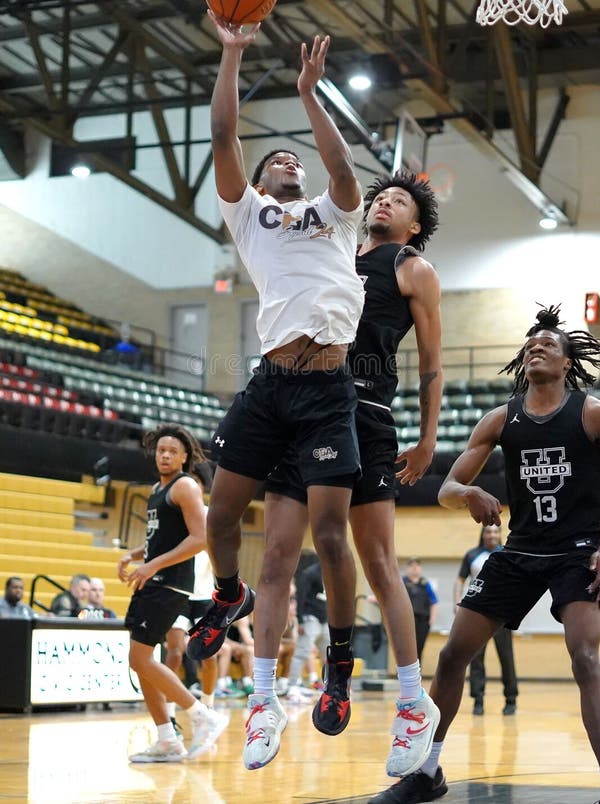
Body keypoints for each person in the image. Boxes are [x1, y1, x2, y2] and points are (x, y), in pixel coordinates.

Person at [188, 15, 366, 760]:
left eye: (297, 157)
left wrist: (309, 97)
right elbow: (224, 136)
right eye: (279, 158)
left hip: (327, 391)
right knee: (223, 520)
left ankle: (340, 664)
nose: (290, 159)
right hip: (270, 387)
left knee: (327, 537)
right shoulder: (252, 217)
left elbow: (344, 169)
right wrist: (232, 53)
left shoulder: (334, 214)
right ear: (261, 185)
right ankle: (227, 593)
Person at [368, 304, 600, 803]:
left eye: (549, 345)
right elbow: (446, 489)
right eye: (531, 344)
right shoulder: (501, 418)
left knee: (586, 657)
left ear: (565, 364)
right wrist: (468, 493)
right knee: (452, 656)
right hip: (522, 551)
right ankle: (426, 773)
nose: (537, 347)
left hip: (580, 552)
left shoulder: (590, 412)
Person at [251, 169, 443, 773]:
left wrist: (428, 438)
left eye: (399, 201)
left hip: (364, 412)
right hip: (299, 404)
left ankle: (413, 702)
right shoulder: (329, 241)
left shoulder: (412, 268)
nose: (384, 201)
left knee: (378, 561)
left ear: (413, 225)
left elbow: (432, 363)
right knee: (276, 554)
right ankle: (265, 698)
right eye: (380, 195)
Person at [118, 423, 225, 763]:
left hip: (170, 583)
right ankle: (167, 738)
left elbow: (200, 538)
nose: (164, 455)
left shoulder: (185, 486)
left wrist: (151, 566)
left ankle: (201, 715)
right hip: (154, 580)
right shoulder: (157, 488)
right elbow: (161, 538)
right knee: (141, 663)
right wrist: (136, 555)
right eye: (160, 450)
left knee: (141, 659)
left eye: (172, 451)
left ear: (184, 457)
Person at [163, 462, 229, 748]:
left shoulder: (211, 518)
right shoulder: (173, 516)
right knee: (174, 652)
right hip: (178, 592)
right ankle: (170, 718)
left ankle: (209, 708)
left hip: (204, 596)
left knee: (210, 656)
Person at [456, 526, 518, 715]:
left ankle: (510, 699)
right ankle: (478, 700)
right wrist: (456, 603)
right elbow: (460, 580)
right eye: (488, 532)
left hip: (502, 613)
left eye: (495, 532)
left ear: (500, 535)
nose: (492, 535)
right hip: (477, 612)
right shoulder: (472, 555)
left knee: (506, 657)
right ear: (483, 535)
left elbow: (517, 581)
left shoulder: (507, 553)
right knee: (476, 659)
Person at [284, 557, 328, 702]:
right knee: (302, 652)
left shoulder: (332, 571)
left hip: (325, 619)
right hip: (310, 618)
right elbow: (300, 597)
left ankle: (330, 686)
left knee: (329, 655)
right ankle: (292, 687)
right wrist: (301, 620)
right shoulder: (310, 573)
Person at [402, 558, 439, 661]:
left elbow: (434, 602)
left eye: (417, 565)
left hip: (423, 621)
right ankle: (404, 674)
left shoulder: (425, 583)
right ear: (407, 568)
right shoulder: (401, 582)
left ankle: (417, 674)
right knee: (405, 648)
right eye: (411, 565)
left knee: (419, 647)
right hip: (406, 621)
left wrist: (432, 619)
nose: (414, 567)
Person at [275, 582, 299, 697]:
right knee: (277, 649)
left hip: (283, 644)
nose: (295, 606)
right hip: (273, 643)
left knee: (294, 648)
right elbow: (274, 637)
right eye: (292, 604)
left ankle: (284, 681)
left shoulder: (293, 619)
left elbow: (295, 639)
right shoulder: (276, 611)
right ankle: (271, 681)